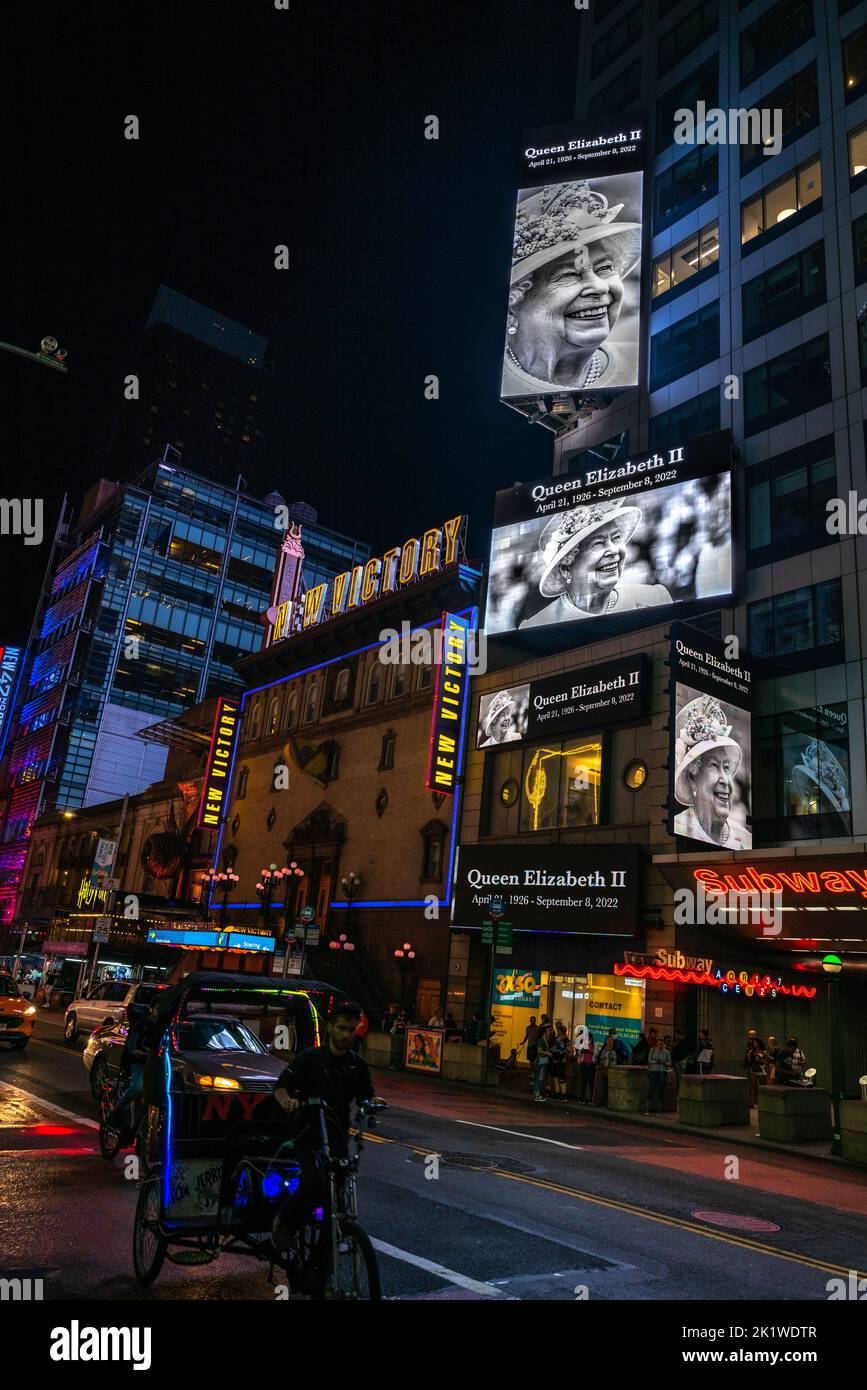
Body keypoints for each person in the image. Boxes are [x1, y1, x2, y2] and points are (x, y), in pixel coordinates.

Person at [502, 179, 641, 395]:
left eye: (604, 268)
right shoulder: (485, 382)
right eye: (567, 275)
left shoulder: (639, 366)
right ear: (512, 305)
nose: (599, 286)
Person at [520, 500, 671, 631]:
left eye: (616, 538)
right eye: (597, 544)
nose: (613, 550)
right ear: (565, 569)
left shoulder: (656, 597)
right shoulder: (538, 626)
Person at [274, 1001, 375, 1153]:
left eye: (351, 1030)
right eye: (341, 1028)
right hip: (307, 1133)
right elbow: (281, 1086)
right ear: (330, 1027)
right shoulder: (309, 1058)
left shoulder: (358, 1065)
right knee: (311, 1174)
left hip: (338, 1135)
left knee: (343, 1173)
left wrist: (374, 1102)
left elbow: (365, 1097)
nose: (346, 1035)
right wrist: (287, 1101)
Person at [672, 695, 750, 848]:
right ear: (692, 779)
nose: (725, 780)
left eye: (726, 768)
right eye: (714, 765)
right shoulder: (679, 826)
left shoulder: (746, 839)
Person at [647, 1035, 672, 1114]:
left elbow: (669, 1063)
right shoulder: (653, 1050)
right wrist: (656, 1062)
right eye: (659, 1043)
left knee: (661, 1090)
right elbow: (649, 1060)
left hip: (662, 1072)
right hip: (654, 1071)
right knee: (652, 1089)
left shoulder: (667, 1052)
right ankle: (648, 1108)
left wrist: (664, 1062)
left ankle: (659, 1109)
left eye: (661, 1044)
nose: (660, 1045)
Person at [548, 1023, 571, 1099]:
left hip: (561, 1061)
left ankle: (563, 1095)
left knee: (561, 1078)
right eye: (557, 1030)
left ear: (563, 1032)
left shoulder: (566, 1040)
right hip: (554, 1060)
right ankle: (557, 1093)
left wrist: (565, 1057)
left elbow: (569, 1051)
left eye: (559, 1031)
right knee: (555, 1077)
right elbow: (551, 1048)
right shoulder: (555, 1039)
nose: (557, 1032)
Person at [744, 1036, 769, 1106]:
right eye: (753, 1042)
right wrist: (748, 1055)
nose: (754, 1043)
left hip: (761, 1068)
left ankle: (762, 1101)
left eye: (755, 1042)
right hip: (754, 1069)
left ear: (759, 1043)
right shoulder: (751, 1051)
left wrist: (763, 1060)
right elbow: (749, 1061)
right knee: (753, 1086)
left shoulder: (763, 1051)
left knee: (762, 1086)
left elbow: (767, 1061)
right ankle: (752, 1102)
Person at [533, 1022, 552, 1102]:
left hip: (543, 1062)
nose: (550, 1032)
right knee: (539, 1078)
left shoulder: (545, 1040)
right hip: (541, 1062)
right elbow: (539, 1051)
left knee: (540, 1078)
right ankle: (537, 1095)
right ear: (544, 1032)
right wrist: (547, 1053)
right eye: (548, 1031)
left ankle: (537, 1093)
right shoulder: (541, 1040)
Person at [577, 1031, 596, 1104]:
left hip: (591, 1065)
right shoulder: (583, 1044)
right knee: (583, 1081)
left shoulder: (594, 1044)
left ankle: (592, 1099)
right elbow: (579, 1053)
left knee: (591, 1082)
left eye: (588, 1037)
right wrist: (582, 1050)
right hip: (584, 1064)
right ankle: (582, 1098)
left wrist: (590, 1050)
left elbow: (596, 1053)